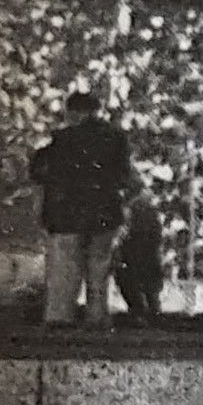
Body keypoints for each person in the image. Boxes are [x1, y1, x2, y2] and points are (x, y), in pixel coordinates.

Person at [29, 90, 133, 327]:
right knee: (99, 270)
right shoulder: (116, 138)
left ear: (73, 112)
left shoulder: (62, 139)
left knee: (65, 271)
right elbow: (124, 177)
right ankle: (97, 319)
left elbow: (39, 171)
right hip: (104, 214)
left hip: (66, 215)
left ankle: (60, 320)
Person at [112, 187, 166, 325]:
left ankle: (141, 310)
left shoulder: (134, 209)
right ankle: (148, 310)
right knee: (147, 287)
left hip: (139, 256)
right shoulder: (145, 210)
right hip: (142, 256)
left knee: (134, 280)